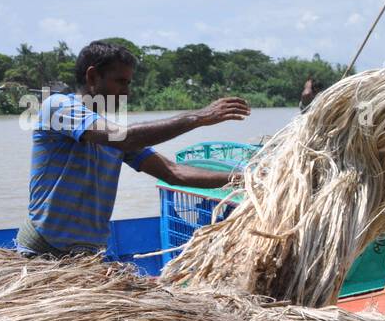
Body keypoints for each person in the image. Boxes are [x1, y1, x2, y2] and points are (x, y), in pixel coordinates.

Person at [16, 40, 251, 258]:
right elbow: (125, 139)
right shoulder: (58, 108)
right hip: (44, 252)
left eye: (129, 83)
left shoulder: (108, 133)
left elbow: (173, 172)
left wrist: (243, 179)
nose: (127, 92)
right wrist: (197, 117)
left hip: (87, 256)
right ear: (92, 76)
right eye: (121, 81)